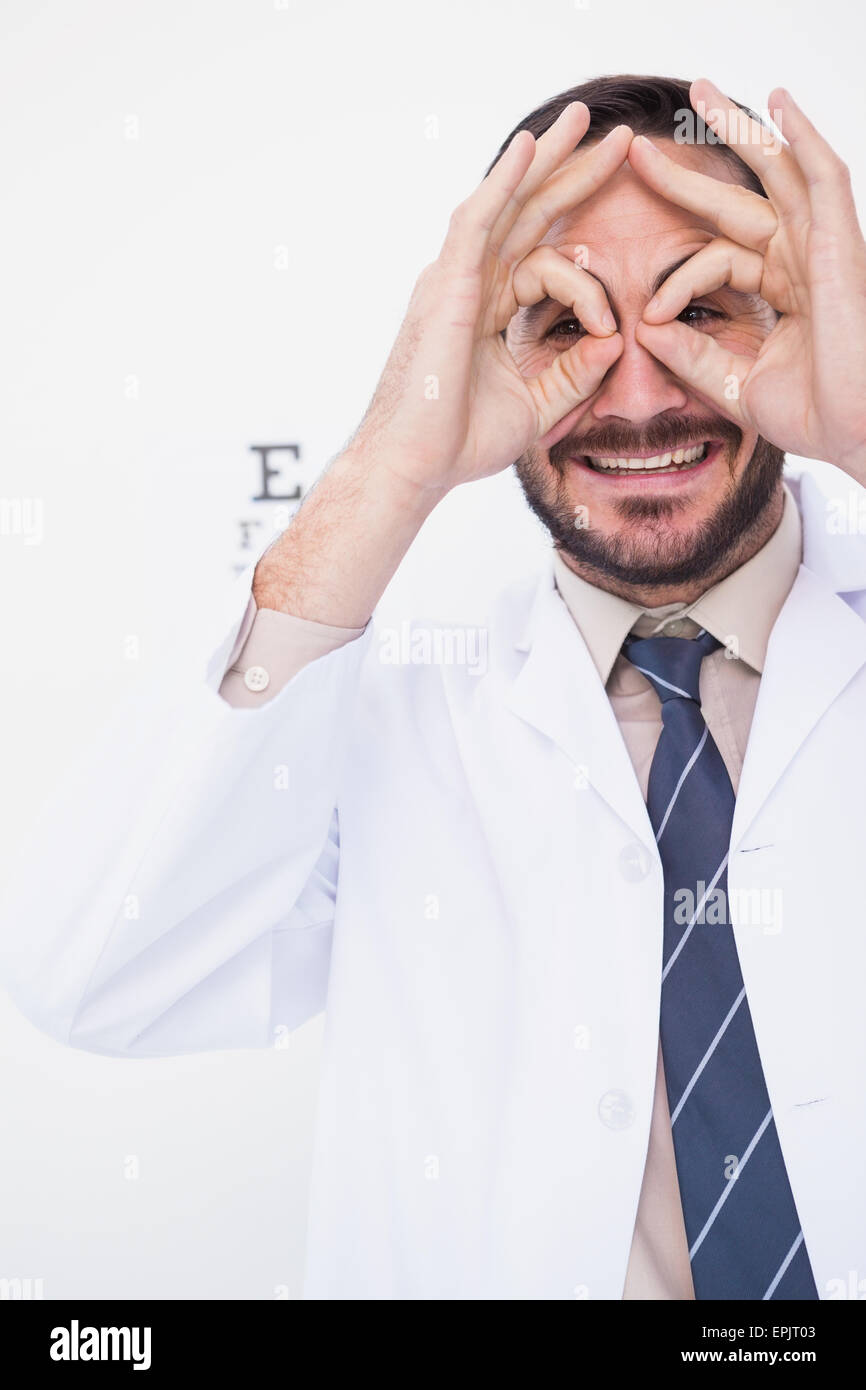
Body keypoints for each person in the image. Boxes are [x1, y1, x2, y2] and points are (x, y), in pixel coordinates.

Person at [4, 73, 866, 1301]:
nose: (634, 394)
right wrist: (388, 460)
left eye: (705, 305)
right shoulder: (392, 707)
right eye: (563, 320)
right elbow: (91, 971)